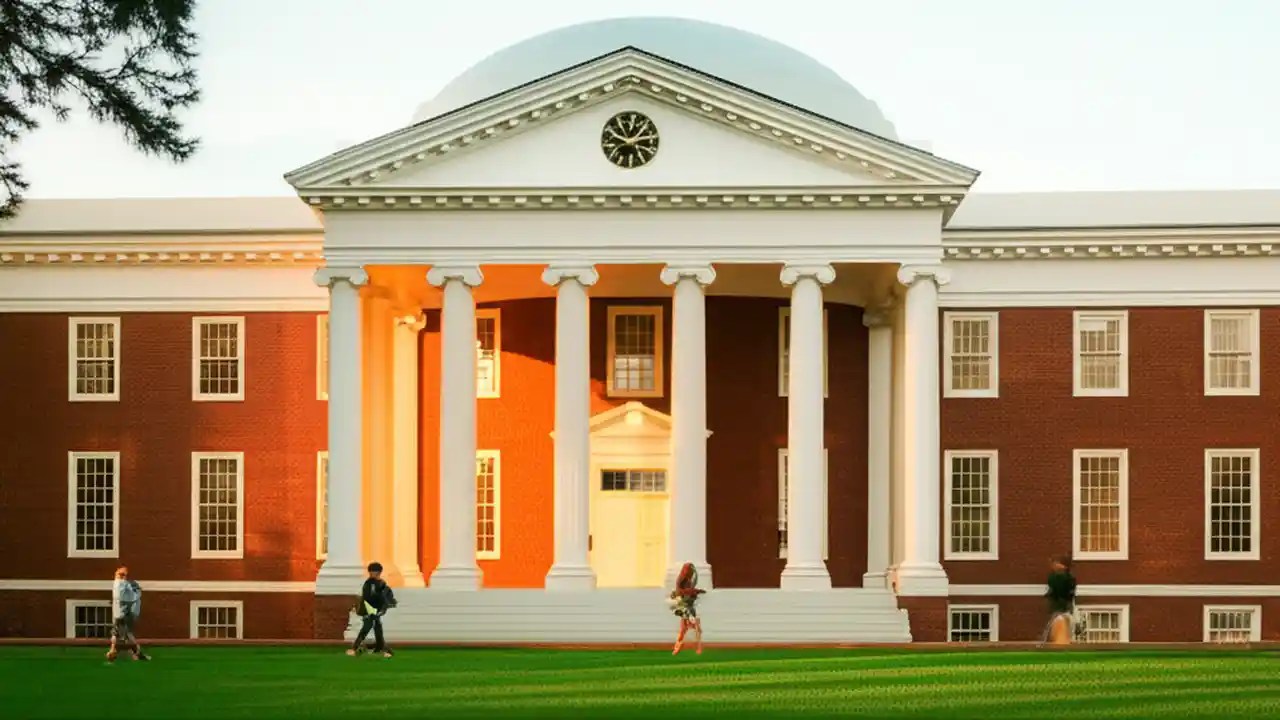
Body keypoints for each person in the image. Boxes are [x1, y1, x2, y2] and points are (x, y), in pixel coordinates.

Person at [347, 562, 397, 657]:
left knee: (373, 629)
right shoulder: (369, 584)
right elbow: (367, 598)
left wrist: (383, 607)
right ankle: (385, 650)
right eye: (371, 571)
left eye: (374, 571)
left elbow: (383, 597)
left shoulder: (381, 584)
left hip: (375, 610)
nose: (372, 573)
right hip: (370, 610)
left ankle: (382, 649)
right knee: (369, 628)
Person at [107, 565, 149, 662]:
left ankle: (117, 652)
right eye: (121, 574)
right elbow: (126, 597)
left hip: (122, 614)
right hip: (122, 614)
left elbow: (126, 597)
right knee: (124, 634)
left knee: (121, 634)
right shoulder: (123, 585)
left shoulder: (123, 584)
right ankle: (136, 653)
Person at [669, 562, 706, 655]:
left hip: (690, 605)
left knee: (689, 628)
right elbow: (679, 592)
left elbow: (689, 591)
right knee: (689, 628)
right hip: (684, 606)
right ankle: (679, 648)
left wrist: (695, 592)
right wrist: (694, 591)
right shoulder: (681, 580)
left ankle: (680, 648)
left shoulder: (689, 580)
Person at [1040, 554, 1077, 646]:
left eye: (1056, 563)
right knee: (1059, 621)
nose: (1054, 566)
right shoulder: (1055, 577)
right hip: (1060, 605)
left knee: (1061, 621)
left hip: (1062, 605)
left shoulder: (1067, 577)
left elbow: (1068, 591)